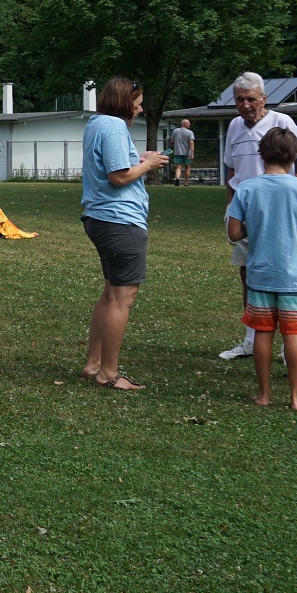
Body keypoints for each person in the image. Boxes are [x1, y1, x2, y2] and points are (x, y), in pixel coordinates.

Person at [217, 72, 297, 361]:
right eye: (240, 99)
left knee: (284, 277)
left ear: (264, 99)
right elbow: (231, 172)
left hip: (278, 218)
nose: (246, 105)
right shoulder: (235, 126)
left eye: (252, 99)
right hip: (246, 214)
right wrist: (231, 209)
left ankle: (290, 345)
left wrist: (286, 191)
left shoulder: (282, 122)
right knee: (247, 274)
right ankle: (252, 339)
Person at [227, 127, 297, 411]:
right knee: (292, 335)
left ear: (261, 154)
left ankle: (264, 395)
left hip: (260, 275)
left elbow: (235, 232)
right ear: (294, 157)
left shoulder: (247, 188)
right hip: (294, 278)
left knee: (263, 334)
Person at [80, 76, 168, 391]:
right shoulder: (115, 127)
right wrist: (151, 162)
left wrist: (138, 160)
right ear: (124, 103)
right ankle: (108, 373)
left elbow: (115, 165)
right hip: (119, 222)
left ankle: (94, 364)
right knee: (122, 297)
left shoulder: (97, 123)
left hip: (101, 218)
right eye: (138, 103)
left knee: (110, 293)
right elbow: (118, 177)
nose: (141, 109)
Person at [169, 118, 196, 186]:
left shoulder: (175, 131)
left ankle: (177, 179)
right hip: (187, 153)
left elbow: (171, 141)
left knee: (178, 167)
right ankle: (186, 183)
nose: (190, 124)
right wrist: (192, 153)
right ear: (184, 124)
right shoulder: (190, 132)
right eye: (188, 123)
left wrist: (174, 147)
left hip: (177, 152)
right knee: (187, 167)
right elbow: (191, 142)